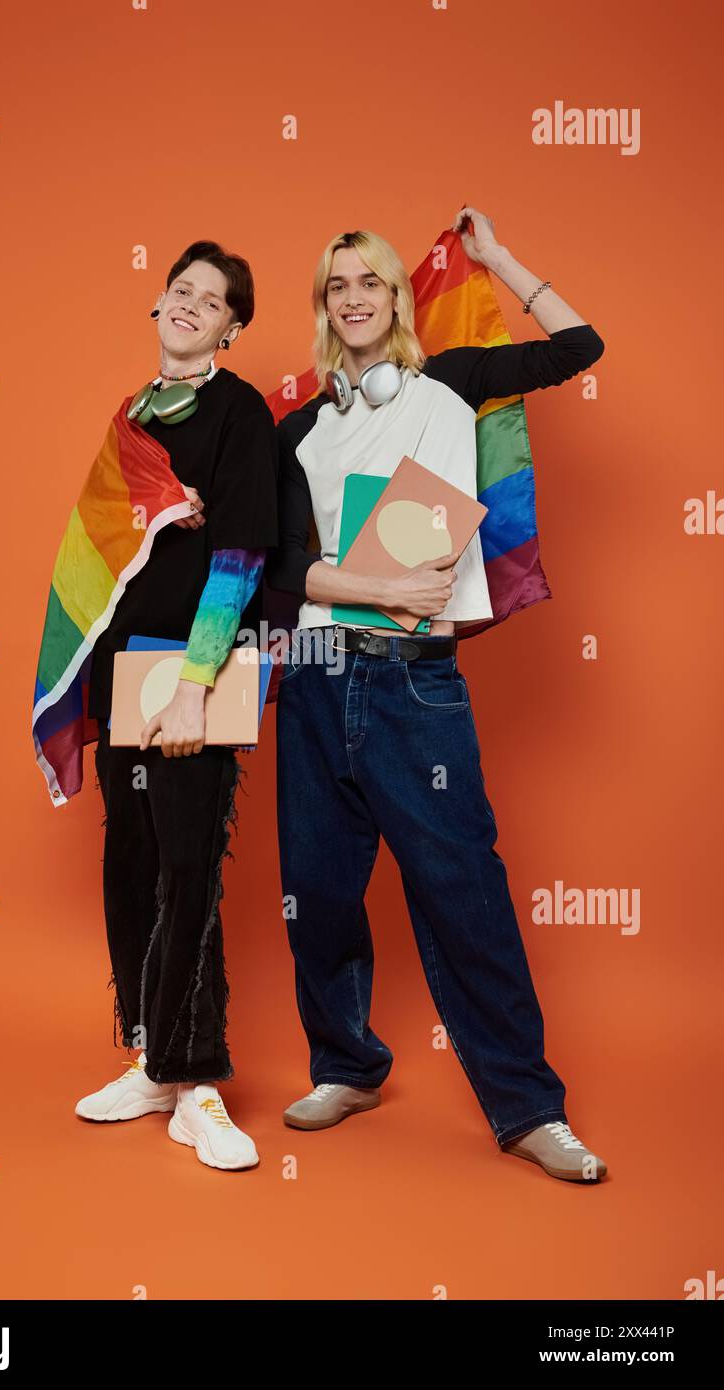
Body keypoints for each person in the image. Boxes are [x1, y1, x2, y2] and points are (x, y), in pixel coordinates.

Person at [265, 207, 609, 1182]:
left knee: (462, 889)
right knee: (318, 895)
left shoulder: (447, 385)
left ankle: (527, 1105)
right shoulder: (301, 430)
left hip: (410, 682)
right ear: (325, 308)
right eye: (337, 285)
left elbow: (578, 346)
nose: (355, 297)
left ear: (394, 295)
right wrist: (369, 582)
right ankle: (346, 1064)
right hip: (318, 676)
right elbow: (285, 573)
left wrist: (497, 257)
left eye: (369, 279)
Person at [74, 240, 278, 1172]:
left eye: (214, 299)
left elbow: (242, 553)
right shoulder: (129, 416)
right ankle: (153, 1055)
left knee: (191, 861)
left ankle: (198, 1084)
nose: (192, 304)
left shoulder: (238, 412)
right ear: (159, 305)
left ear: (233, 328)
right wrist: (157, 504)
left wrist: (196, 689)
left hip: (197, 666)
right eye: (181, 289)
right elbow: (103, 537)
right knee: (134, 854)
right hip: (127, 664)